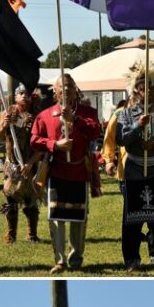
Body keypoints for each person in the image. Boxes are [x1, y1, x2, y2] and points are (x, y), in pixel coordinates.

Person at [110, 62, 154, 270]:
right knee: (132, 217)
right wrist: (137, 126)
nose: (145, 90)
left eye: (149, 86)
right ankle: (131, 258)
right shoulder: (125, 113)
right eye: (141, 87)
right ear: (135, 90)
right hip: (134, 170)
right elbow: (120, 139)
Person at [31, 73, 102, 274]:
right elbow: (34, 140)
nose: (66, 89)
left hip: (79, 170)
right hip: (57, 171)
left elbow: (95, 131)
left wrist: (76, 120)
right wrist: (55, 145)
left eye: (70, 86)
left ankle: (76, 258)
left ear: (75, 89)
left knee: (79, 217)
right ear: (55, 91)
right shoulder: (45, 115)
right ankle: (60, 260)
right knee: (56, 216)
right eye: (62, 86)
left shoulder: (88, 112)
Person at [0, 86, 43, 244]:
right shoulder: (8, 113)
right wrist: (4, 125)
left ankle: (32, 234)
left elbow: (42, 145)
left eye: (27, 94)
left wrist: (30, 163)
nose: (24, 96)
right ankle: (11, 235)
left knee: (31, 200)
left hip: (30, 163)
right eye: (21, 93)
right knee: (11, 200)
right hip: (12, 164)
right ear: (15, 97)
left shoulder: (37, 116)